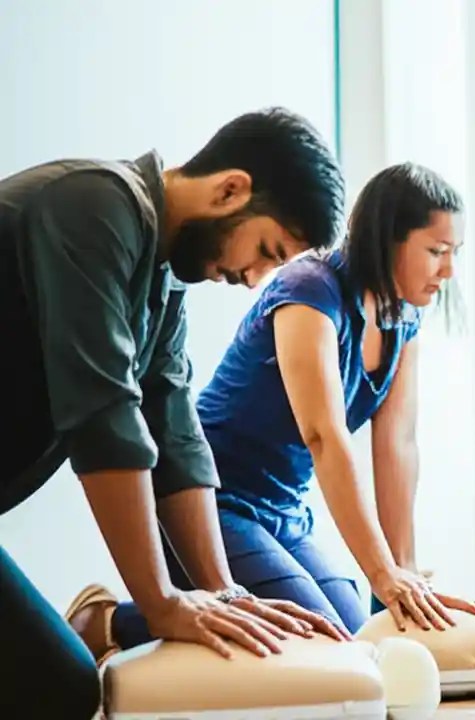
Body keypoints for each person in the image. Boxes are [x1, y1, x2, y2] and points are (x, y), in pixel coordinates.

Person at [67, 163, 475, 663]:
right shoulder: (310, 291)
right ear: (387, 241)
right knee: (321, 642)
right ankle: (107, 622)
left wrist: (402, 571)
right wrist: (380, 571)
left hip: (285, 512)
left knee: (359, 636)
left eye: (454, 254)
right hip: (212, 501)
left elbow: (397, 445)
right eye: (436, 252)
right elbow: (324, 435)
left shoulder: (404, 320)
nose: (447, 271)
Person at [0, 107, 349, 719]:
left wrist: (224, 591)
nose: (252, 280)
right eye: (266, 251)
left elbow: (176, 435)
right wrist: (159, 601)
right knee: (51, 687)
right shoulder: (92, 207)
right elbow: (104, 415)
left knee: (60, 686)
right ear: (230, 189)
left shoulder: (161, 280)